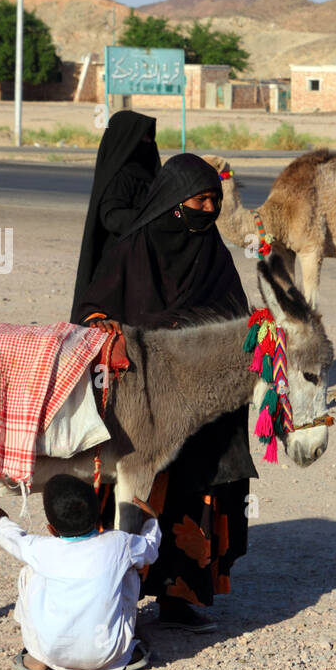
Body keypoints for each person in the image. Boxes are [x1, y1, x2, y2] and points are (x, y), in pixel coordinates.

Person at [74, 153, 257, 634]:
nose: (209, 210)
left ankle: (178, 598)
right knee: (127, 491)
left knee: (192, 494)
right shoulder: (133, 247)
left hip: (197, 401)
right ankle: (107, 591)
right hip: (141, 398)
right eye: (201, 200)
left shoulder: (213, 254)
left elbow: (234, 322)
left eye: (215, 202)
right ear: (176, 204)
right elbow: (94, 311)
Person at [0, 475, 161, 670]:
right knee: (128, 569)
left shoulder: (40, 548)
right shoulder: (119, 543)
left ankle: (36, 657)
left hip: (52, 652)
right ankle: (127, 653)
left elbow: (12, 538)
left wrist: (0, 517)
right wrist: (152, 521)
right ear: (97, 515)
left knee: (29, 571)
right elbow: (151, 548)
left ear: (51, 529)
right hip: (109, 654)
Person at [70, 110, 161, 323]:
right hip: (119, 263)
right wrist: (150, 219)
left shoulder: (150, 174)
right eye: (143, 137)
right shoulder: (121, 176)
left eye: (150, 136)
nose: (148, 142)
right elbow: (111, 216)